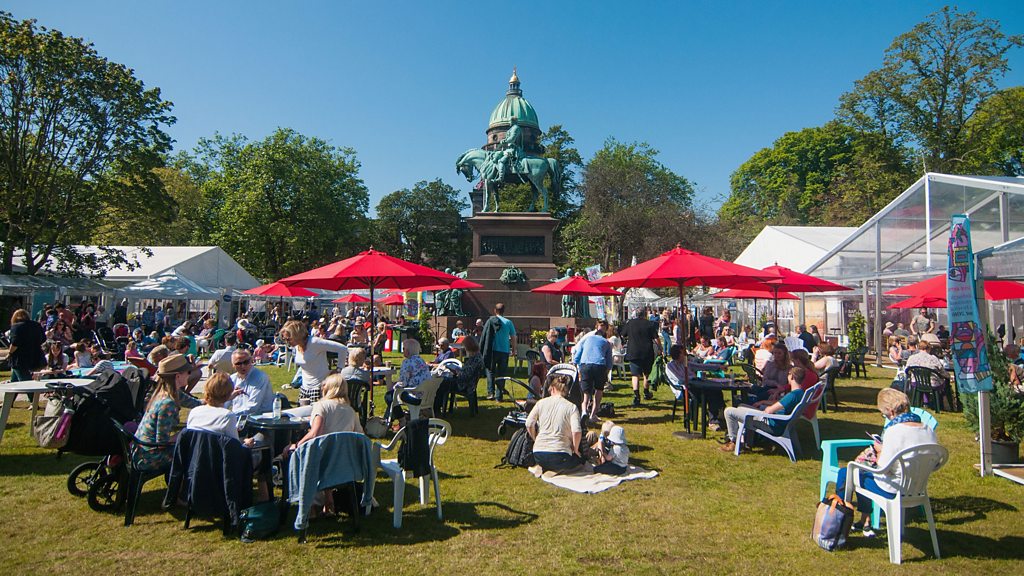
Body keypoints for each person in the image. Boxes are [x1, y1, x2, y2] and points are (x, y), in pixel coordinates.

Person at [835, 389, 939, 538]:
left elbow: (882, 466)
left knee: (847, 473)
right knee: (860, 473)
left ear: (890, 412)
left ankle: (839, 522)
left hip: (892, 488)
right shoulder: (928, 430)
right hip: (918, 487)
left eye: (884, 414)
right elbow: (934, 462)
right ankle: (865, 521)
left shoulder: (894, 431)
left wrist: (879, 451)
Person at [286, 373, 364, 517]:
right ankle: (329, 503)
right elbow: (360, 436)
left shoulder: (321, 406)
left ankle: (310, 506)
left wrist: (296, 445)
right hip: (345, 464)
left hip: (324, 461)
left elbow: (315, 433)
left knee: (300, 455)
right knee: (324, 453)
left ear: (328, 388)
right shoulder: (351, 411)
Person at [135, 353, 203, 471]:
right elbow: (162, 442)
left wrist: (225, 396)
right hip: (149, 457)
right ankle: (184, 487)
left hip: (143, 450)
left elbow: (196, 403)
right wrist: (185, 433)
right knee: (197, 450)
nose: (189, 375)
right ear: (177, 376)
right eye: (188, 372)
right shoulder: (168, 403)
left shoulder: (166, 392)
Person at [720, 365, 808, 453]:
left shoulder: (791, 396)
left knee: (729, 411)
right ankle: (747, 443)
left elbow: (769, 411)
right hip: (779, 422)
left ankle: (733, 442)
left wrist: (763, 409)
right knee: (741, 406)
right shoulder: (800, 393)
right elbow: (780, 404)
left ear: (792, 376)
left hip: (771, 424)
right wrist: (762, 402)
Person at [525, 374, 584, 474]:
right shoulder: (572, 407)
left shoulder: (540, 403)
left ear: (552, 389)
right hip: (561, 455)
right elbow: (576, 431)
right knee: (581, 461)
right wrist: (576, 449)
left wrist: (535, 439)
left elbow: (529, 423)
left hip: (539, 454)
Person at [280, 319, 349, 403]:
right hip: (304, 387)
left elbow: (343, 349)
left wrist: (338, 369)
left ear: (297, 335)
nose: (287, 342)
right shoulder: (296, 346)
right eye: (285, 340)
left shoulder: (315, 342)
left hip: (319, 387)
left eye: (289, 339)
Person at [572, 319, 613, 424]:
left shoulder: (587, 339)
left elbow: (577, 356)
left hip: (585, 365)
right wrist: (606, 374)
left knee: (586, 392)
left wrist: (576, 365)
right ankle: (593, 414)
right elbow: (609, 362)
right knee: (598, 390)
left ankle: (584, 411)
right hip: (599, 365)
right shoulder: (607, 343)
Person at [621, 308, 660, 406]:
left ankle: (636, 396)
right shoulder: (649, 324)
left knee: (635, 375)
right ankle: (646, 392)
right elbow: (656, 338)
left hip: (633, 351)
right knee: (646, 373)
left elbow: (623, 335)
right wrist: (660, 349)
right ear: (645, 314)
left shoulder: (630, 323)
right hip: (647, 351)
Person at [186, 372, 240, 440]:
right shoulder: (227, 416)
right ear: (229, 393)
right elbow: (235, 447)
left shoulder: (194, 412)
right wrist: (246, 444)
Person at [481, 303, 516, 402]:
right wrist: (513, 349)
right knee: (502, 373)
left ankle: (490, 392)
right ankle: (499, 396)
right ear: (504, 311)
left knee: (490, 371)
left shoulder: (490, 321)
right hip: (504, 351)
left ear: (494, 310)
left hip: (492, 350)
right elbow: (513, 337)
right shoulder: (508, 322)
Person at [227, 349, 275, 416]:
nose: (243, 366)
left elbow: (253, 407)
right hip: (238, 417)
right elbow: (225, 403)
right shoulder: (232, 379)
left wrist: (231, 415)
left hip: (259, 418)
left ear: (251, 361)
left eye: (246, 362)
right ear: (233, 365)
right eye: (238, 363)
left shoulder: (260, 377)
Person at [8, 309, 46, 385]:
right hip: (34, 354)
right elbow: (43, 339)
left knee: (26, 382)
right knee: (14, 381)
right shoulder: (36, 325)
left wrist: (9, 353)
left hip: (20, 358)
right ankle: (11, 396)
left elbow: (15, 343)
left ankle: (32, 396)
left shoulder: (16, 327)